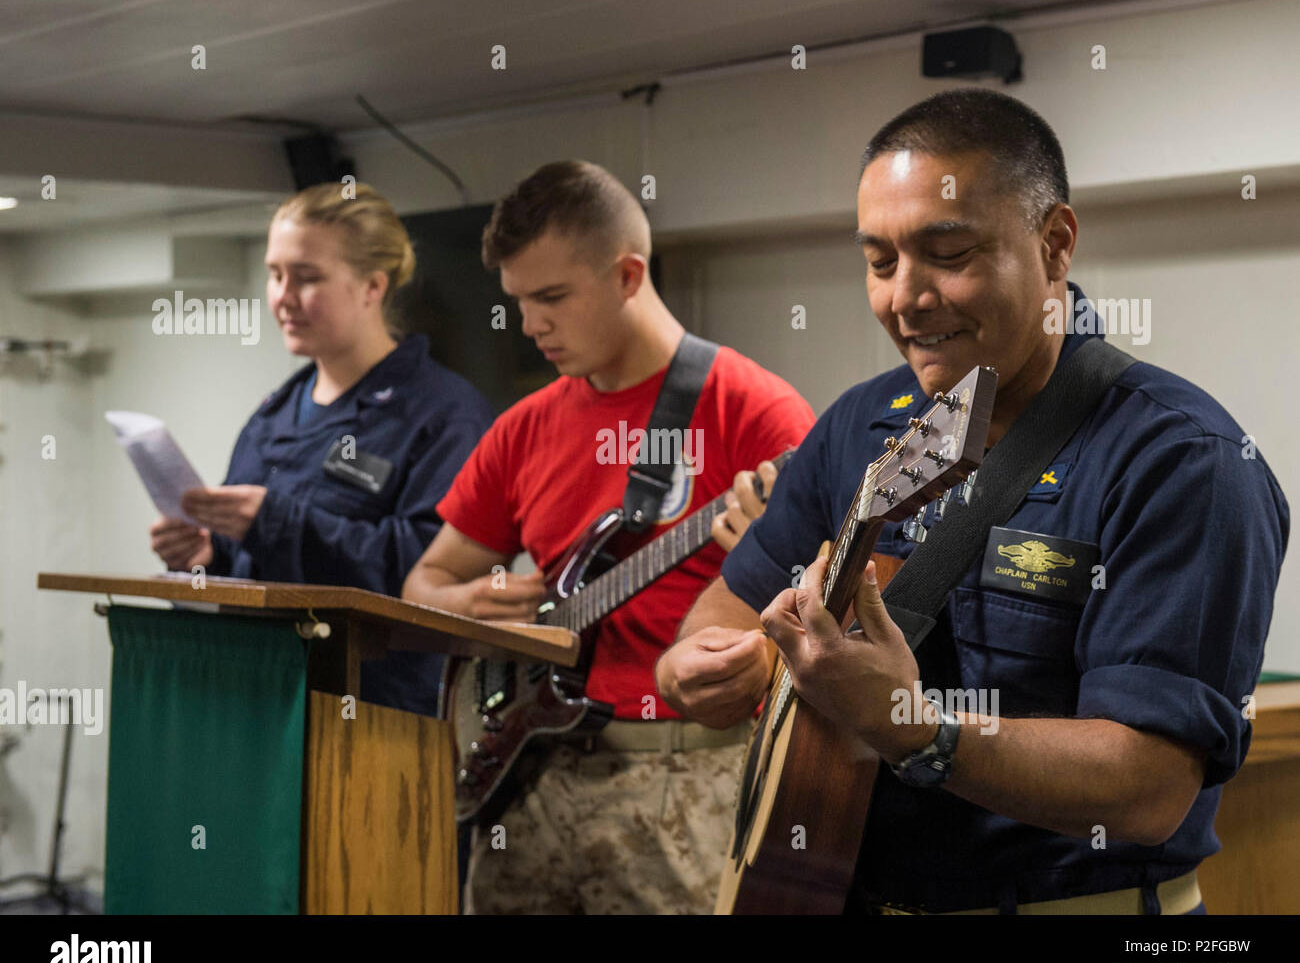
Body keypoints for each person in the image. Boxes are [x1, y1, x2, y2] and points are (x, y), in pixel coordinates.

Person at [656, 88, 1289, 915]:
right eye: (880, 263)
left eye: (947, 253)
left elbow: (1148, 786)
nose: (904, 297)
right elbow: (722, 614)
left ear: (1055, 245)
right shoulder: (859, 425)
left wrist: (914, 728)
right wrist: (695, 665)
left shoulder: (1183, 461)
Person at [401, 160, 817, 914]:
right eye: (519, 301)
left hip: (689, 781)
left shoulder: (755, 413)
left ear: (629, 275)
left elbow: (830, 603)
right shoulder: (521, 428)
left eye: (552, 297)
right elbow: (423, 584)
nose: (531, 326)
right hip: (530, 777)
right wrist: (471, 602)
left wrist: (771, 566)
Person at [149, 181, 495, 713]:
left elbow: (427, 574)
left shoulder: (443, 413)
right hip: (261, 696)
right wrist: (209, 556)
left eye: (307, 278)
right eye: (275, 274)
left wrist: (278, 524)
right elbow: (258, 569)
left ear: (372, 286)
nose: (283, 297)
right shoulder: (274, 412)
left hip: (375, 713)